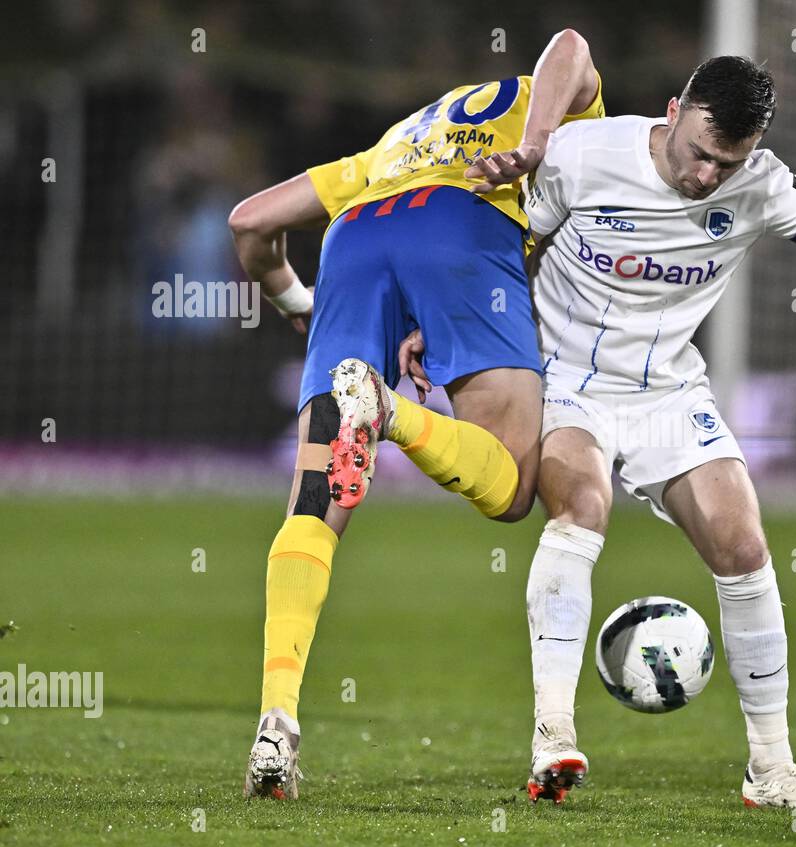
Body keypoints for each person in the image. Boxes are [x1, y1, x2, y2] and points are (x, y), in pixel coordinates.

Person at [404, 55, 796, 810]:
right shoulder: (586, 154)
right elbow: (506, 252)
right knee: (582, 506)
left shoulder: (762, 184)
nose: (710, 176)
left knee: (744, 545)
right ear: (673, 109)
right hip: (566, 378)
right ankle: (553, 735)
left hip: (670, 389)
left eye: (728, 163)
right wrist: (444, 329)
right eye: (701, 154)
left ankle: (772, 770)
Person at [227, 30, 603, 799]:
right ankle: (393, 414)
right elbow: (570, 44)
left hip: (354, 242)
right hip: (464, 224)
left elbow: (250, 223)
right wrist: (535, 146)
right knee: (512, 489)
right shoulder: (550, 110)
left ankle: (276, 721)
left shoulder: (394, 144)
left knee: (311, 504)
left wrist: (298, 304)